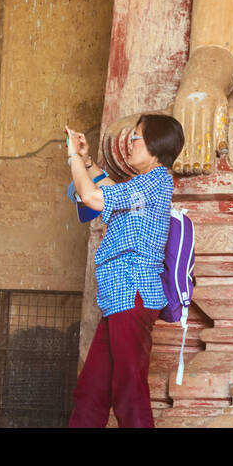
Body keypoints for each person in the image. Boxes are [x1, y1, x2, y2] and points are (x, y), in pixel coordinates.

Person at [66, 113, 181, 428]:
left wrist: (74, 157)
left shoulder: (155, 180)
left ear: (155, 144)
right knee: (91, 390)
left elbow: (93, 197)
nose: (130, 143)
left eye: (136, 137)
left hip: (132, 294)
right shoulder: (146, 185)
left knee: (129, 390)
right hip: (120, 299)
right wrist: (88, 163)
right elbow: (112, 192)